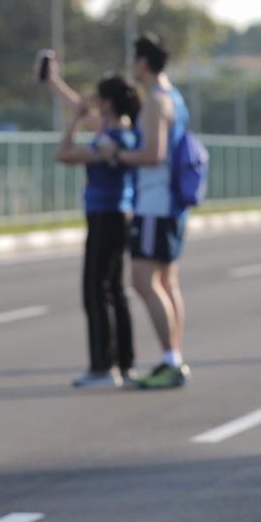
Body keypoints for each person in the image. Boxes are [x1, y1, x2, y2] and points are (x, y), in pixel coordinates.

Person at [99, 33, 193, 390]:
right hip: (170, 203)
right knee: (167, 283)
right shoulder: (174, 96)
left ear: (142, 63)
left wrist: (116, 155)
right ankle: (174, 358)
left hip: (155, 203)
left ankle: (171, 361)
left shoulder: (155, 101)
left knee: (143, 281)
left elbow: (154, 154)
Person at [42, 56, 140, 388]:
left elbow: (65, 153)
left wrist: (74, 122)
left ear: (108, 103)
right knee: (115, 290)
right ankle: (124, 364)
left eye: (99, 98)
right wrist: (54, 80)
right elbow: (78, 105)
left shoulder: (112, 138)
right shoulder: (121, 129)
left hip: (106, 215)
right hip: (116, 214)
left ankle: (103, 368)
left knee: (95, 290)